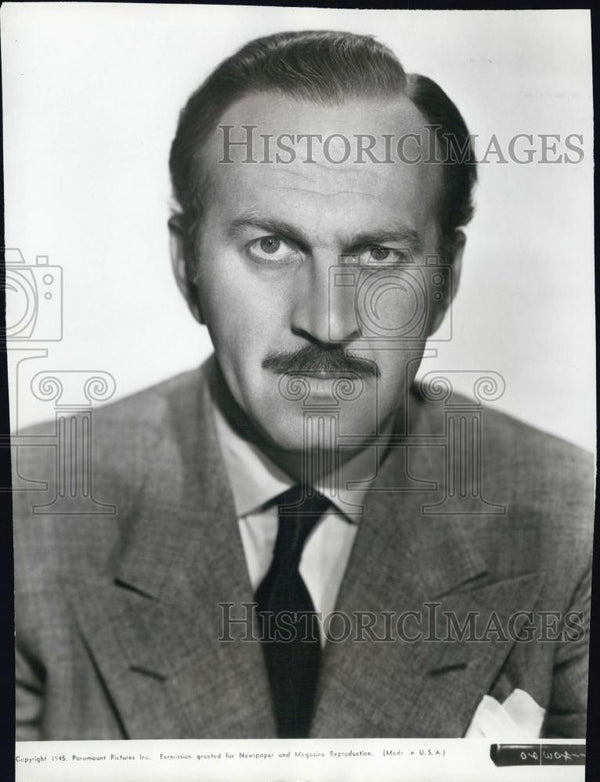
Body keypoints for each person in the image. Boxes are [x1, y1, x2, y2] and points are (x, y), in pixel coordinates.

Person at [14, 30, 593, 741]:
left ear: (445, 280)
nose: (326, 319)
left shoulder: (571, 528)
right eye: (271, 246)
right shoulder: (33, 513)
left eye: (378, 254)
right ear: (185, 263)